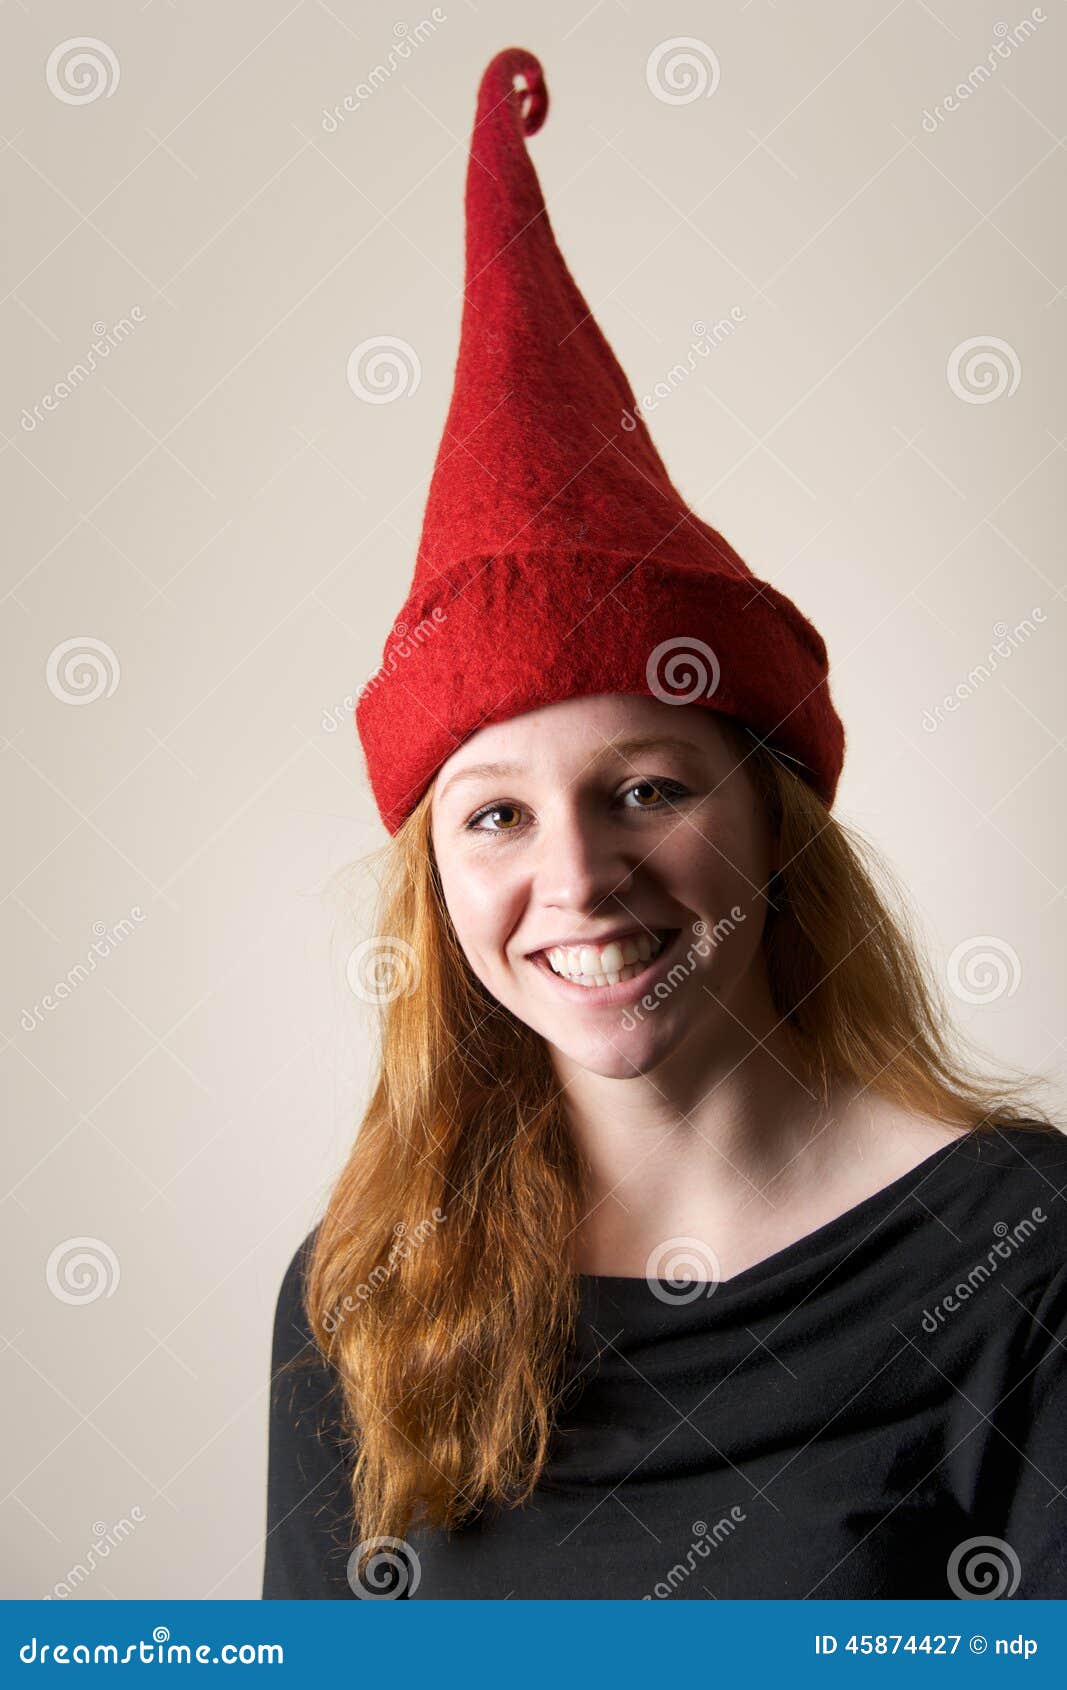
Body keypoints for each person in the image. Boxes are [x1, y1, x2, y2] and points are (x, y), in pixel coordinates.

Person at [262, 47, 1066, 1600]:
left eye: (645, 787)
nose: (576, 878)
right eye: (494, 813)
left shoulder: (1018, 1253)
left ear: (771, 815)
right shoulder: (358, 1296)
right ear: (436, 880)